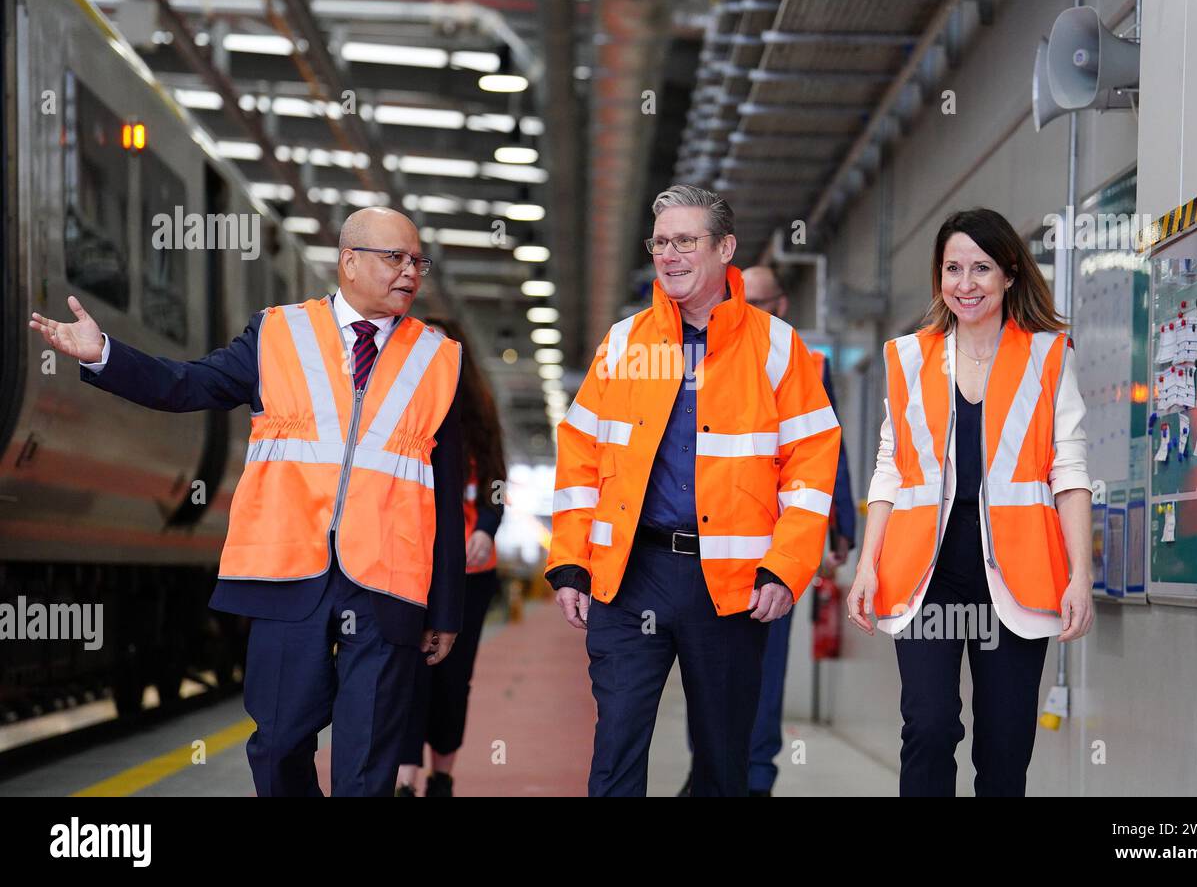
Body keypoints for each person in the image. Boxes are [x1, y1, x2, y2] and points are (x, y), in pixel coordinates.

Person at [29, 207, 466, 797]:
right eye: (396, 258)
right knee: (280, 743)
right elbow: (187, 385)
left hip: (388, 581)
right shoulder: (278, 333)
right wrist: (104, 352)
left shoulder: (439, 360)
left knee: (369, 762)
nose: (410, 272)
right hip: (290, 570)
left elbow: (446, 491)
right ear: (349, 261)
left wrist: (445, 608)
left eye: (418, 261)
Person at [546, 184, 842, 797]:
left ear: (725, 248)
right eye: (660, 242)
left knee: (722, 760)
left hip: (730, 587)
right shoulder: (626, 344)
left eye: (685, 241)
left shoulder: (778, 348)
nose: (669, 255)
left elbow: (813, 468)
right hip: (631, 577)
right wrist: (571, 560)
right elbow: (579, 456)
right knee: (617, 748)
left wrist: (785, 567)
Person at [846, 207, 1094, 797]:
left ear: (1009, 273)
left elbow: (1071, 471)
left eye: (980, 268)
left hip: (1020, 572)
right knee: (929, 728)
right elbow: (890, 469)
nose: (965, 283)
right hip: (928, 572)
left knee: (1004, 747)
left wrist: (1081, 575)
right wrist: (865, 566)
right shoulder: (909, 358)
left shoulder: (1048, 355)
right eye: (953, 268)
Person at [677, 264, 857, 797]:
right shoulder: (704, 356)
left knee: (766, 667)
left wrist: (840, 523)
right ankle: (706, 769)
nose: (740, 306)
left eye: (755, 299)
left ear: (781, 306)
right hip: (711, 544)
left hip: (776, 547)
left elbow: (829, 450)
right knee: (703, 669)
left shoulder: (803, 360)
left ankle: (757, 776)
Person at [396, 315, 506, 797]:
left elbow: (496, 487)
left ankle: (442, 774)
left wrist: (485, 527)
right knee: (406, 673)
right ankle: (405, 776)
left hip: (468, 572)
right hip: (405, 567)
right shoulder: (396, 410)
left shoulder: (478, 418)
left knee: (451, 677)